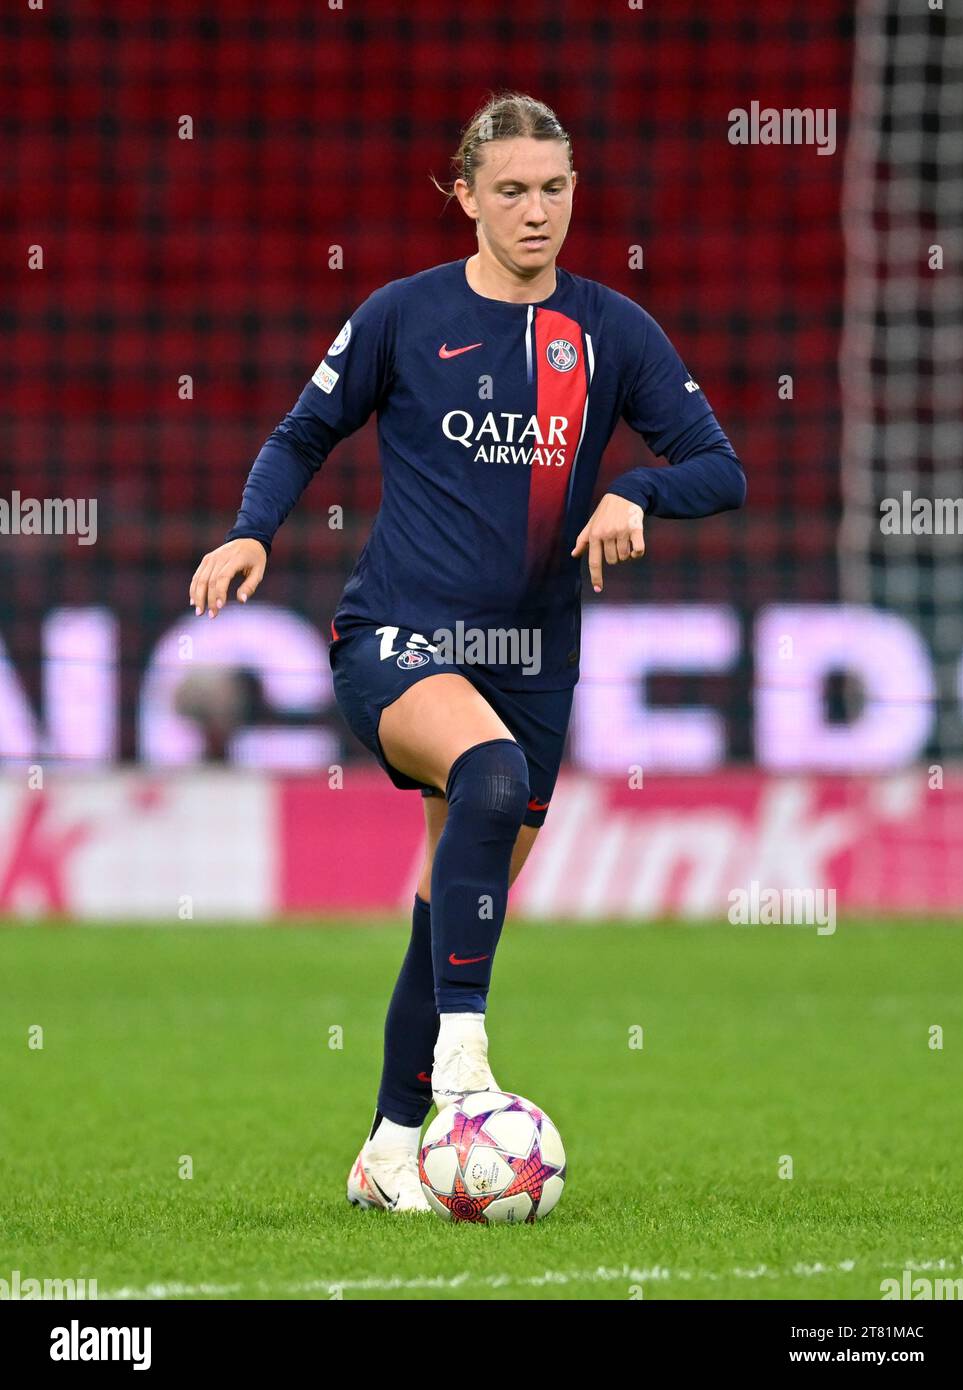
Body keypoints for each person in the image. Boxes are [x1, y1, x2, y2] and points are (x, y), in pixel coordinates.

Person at [189, 92, 746, 1213]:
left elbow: (719, 468)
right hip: (399, 635)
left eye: (553, 189)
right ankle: (463, 1063)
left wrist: (636, 488)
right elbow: (304, 430)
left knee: (456, 901)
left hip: (534, 657)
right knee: (487, 780)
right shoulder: (403, 315)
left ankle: (391, 1149)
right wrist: (252, 527)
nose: (535, 211)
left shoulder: (610, 332)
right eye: (510, 191)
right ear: (464, 196)